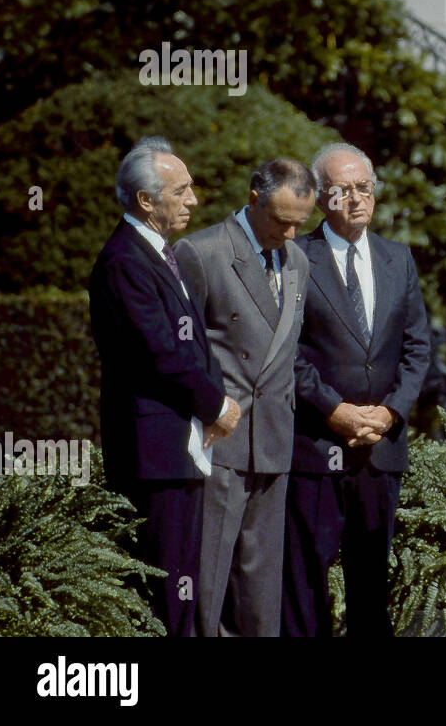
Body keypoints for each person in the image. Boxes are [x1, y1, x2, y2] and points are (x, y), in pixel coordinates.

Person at [88, 136, 240, 637]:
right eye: (182, 191)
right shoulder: (124, 262)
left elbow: (196, 342)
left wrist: (212, 404)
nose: (193, 200)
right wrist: (215, 403)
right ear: (146, 200)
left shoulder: (159, 255)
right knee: (164, 586)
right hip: (153, 456)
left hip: (176, 447)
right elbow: (160, 354)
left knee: (181, 584)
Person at [282, 143, 431, 637]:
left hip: (379, 452)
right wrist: (334, 409)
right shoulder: (295, 258)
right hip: (317, 446)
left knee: (371, 590)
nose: (356, 199)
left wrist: (389, 415)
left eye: (364, 187)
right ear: (321, 198)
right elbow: (286, 351)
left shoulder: (398, 258)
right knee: (305, 588)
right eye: (343, 190)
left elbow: (416, 350)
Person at [175, 159, 315, 637]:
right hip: (220, 441)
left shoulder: (297, 260)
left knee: (261, 588)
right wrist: (208, 413)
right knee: (208, 580)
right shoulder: (201, 252)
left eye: (301, 222)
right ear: (254, 198)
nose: (292, 233)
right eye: (281, 220)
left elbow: (288, 351)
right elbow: (181, 352)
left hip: (275, 439)